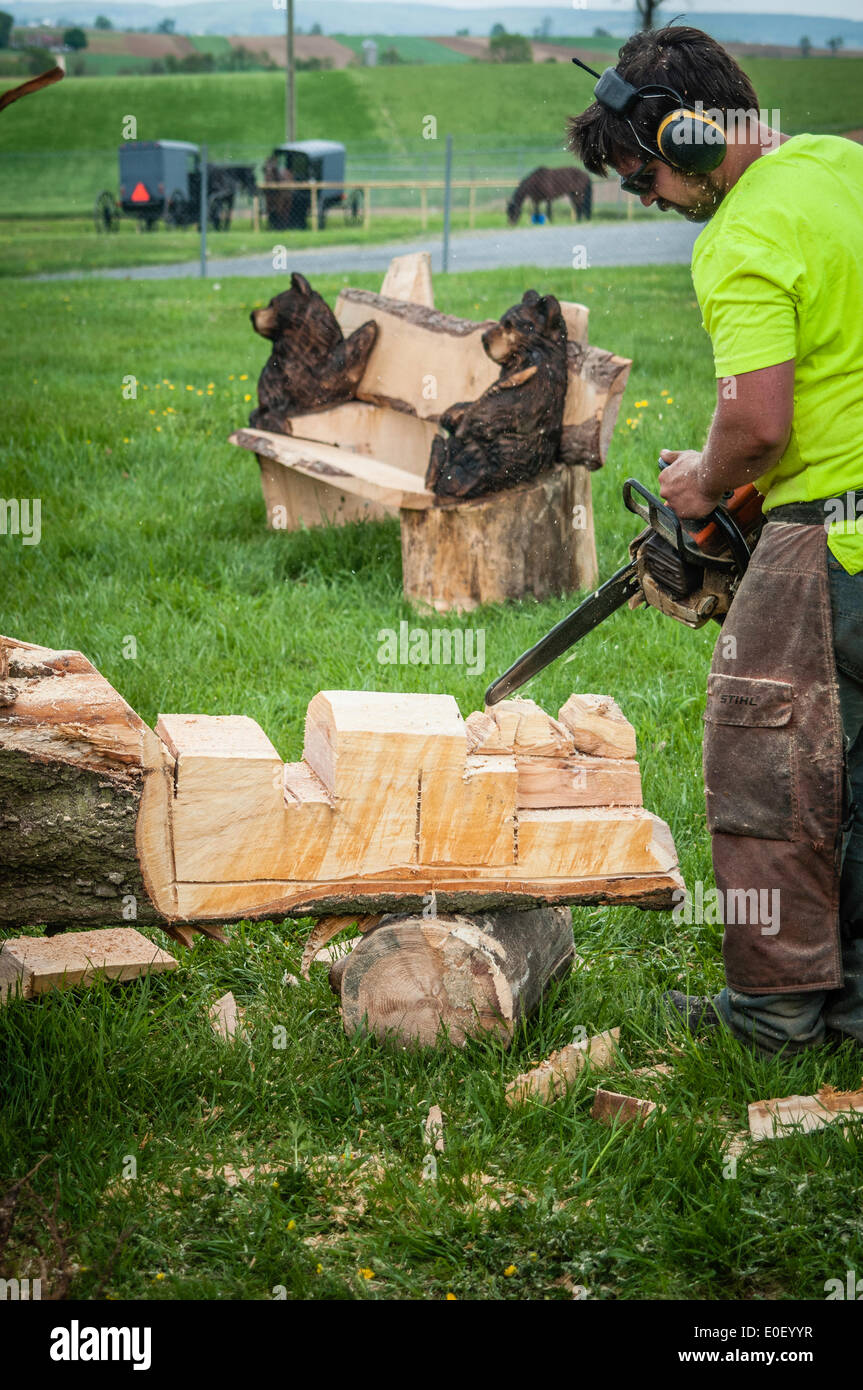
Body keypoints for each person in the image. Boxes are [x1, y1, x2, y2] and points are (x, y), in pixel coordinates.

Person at [567, 24, 863, 1054]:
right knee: (854, 779)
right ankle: (853, 1012)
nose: (646, 197)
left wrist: (702, 476)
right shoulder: (837, 163)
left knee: (765, 774)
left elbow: (758, 426)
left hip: (828, 534)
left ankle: (776, 1018)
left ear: (680, 135)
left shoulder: (736, 237)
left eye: (641, 175)